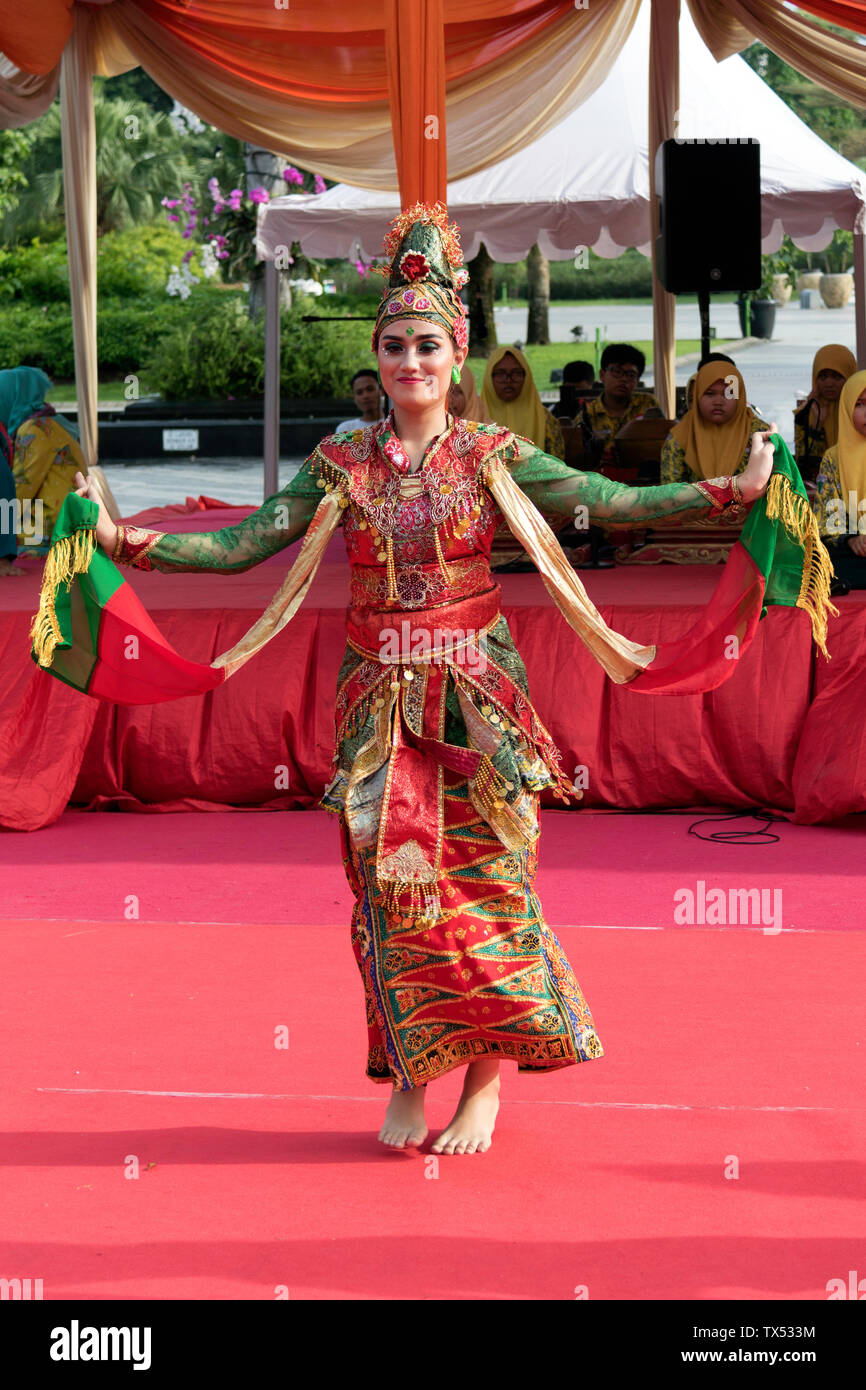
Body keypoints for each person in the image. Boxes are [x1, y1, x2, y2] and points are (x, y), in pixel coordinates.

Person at [60, 205, 800, 1156]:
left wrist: (731, 490)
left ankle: (485, 1085)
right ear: (379, 358)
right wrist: (123, 539)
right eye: (395, 345)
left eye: (428, 345)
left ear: (456, 355)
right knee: (388, 884)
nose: (411, 362)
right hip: (376, 706)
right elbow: (245, 544)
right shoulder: (341, 462)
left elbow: (608, 503)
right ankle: (411, 1069)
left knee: (488, 878)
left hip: (477, 700)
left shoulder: (492, 456)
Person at [660, 362, 770, 485]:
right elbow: (670, 490)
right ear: (697, 396)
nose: (718, 401)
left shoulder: (760, 432)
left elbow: (773, 486)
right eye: (710, 393)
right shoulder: (681, 434)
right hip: (693, 504)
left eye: (729, 393)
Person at [813, 368, 866, 589]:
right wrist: (852, 539)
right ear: (846, 409)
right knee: (820, 564)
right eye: (859, 404)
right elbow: (826, 513)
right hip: (852, 547)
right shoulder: (833, 457)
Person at [481, 345, 565, 460]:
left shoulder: (545, 419)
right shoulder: (473, 419)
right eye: (500, 373)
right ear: (489, 378)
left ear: (526, 376)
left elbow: (558, 467)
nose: (508, 380)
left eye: (516, 373)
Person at [584, 344, 661, 466]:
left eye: (631, 375)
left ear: (637, 380)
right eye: (617, 372)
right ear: (602, 375)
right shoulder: (588, 414)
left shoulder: (648, 405)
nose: (624, 379)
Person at [794, 345, 857, 485]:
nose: (829, 383)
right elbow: (804, 466)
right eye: (822, 377)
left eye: (837, 377)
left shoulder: (860, 410)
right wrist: (817, 425)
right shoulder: (804, 415)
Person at [335, 367, 385, 433]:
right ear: (354, 398)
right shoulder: (345, 429)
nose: (365, 396)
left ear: (381, 391)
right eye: (359, 392)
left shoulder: (396, 424)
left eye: (370, 389)